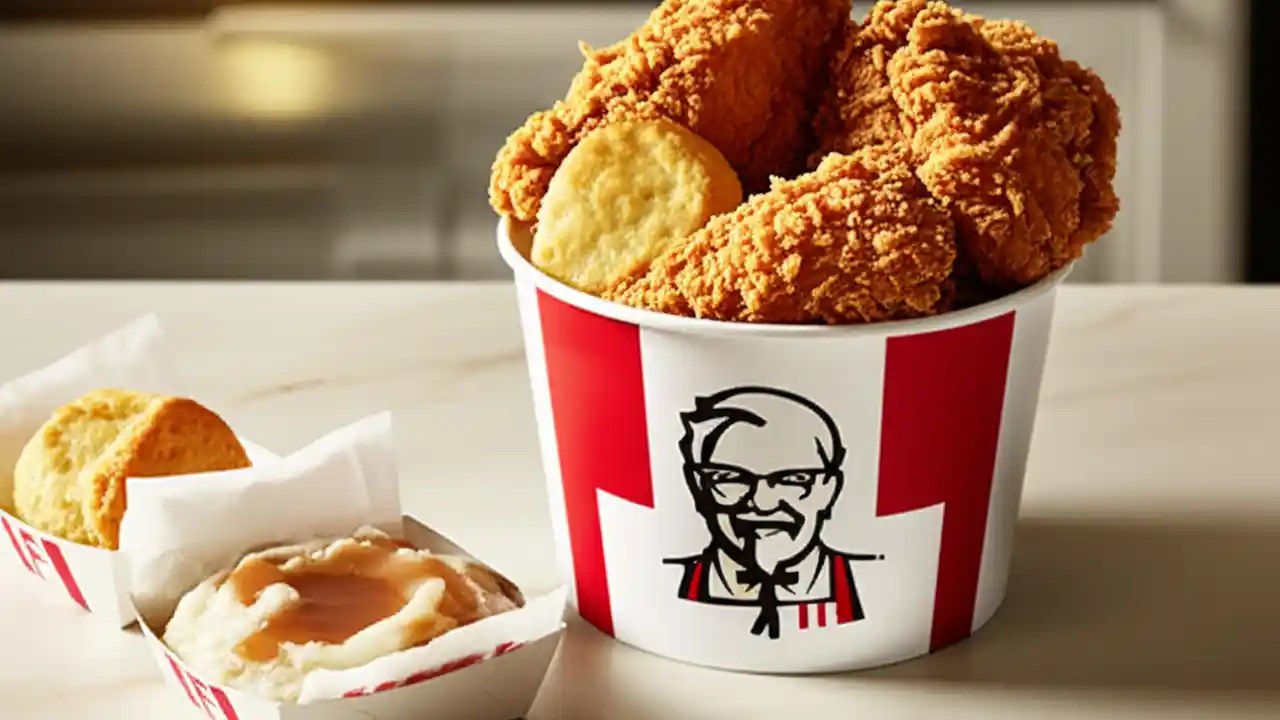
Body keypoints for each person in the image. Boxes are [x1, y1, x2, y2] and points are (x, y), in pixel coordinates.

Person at [666, 387, 880, 639]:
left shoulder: (878, 581)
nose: (763, 503)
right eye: (730, 477)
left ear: (829, 489)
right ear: (698, 486)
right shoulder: (660, 580)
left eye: (793, 479)